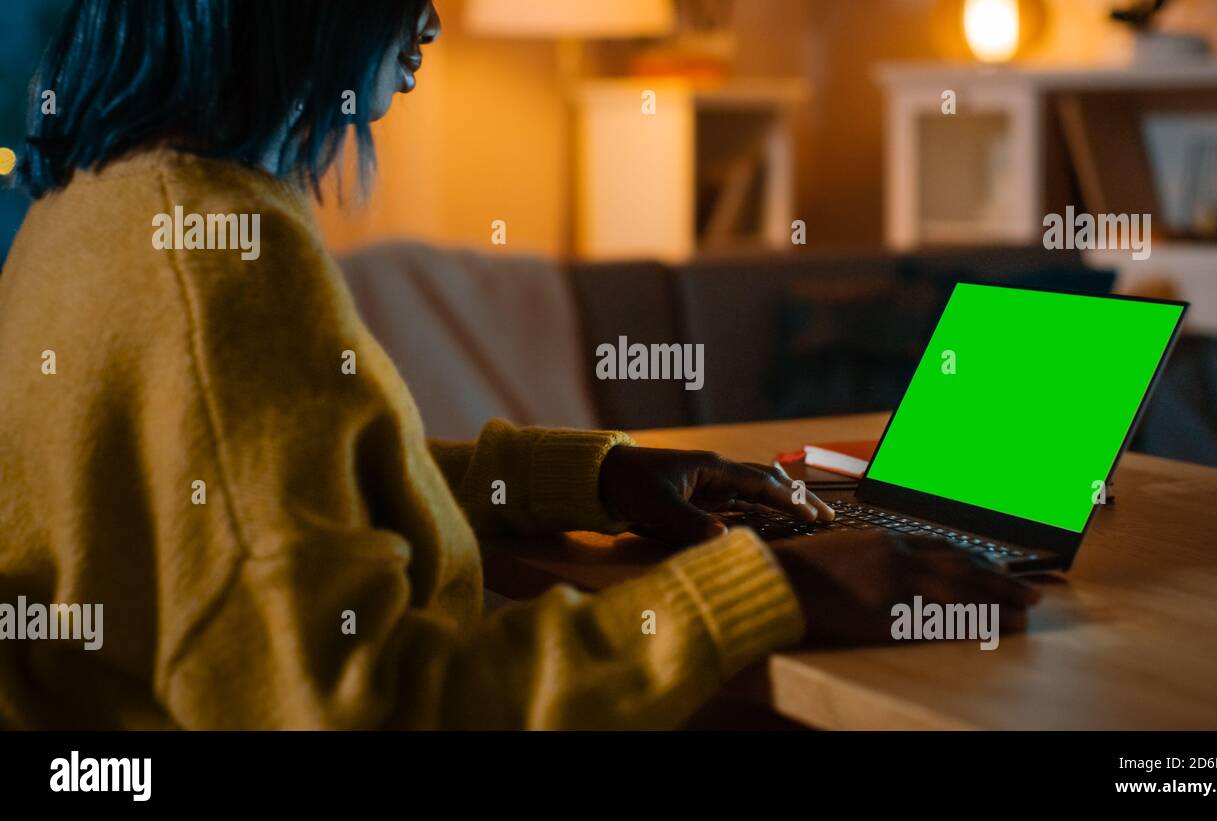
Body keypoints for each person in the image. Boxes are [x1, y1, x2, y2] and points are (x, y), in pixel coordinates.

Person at [0, 0, 1037, 730]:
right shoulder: (214, 261)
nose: (431, 24)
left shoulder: (85, 208)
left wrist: (587, 475)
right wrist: (761, 587)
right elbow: (355, 711)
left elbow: (272, 505)